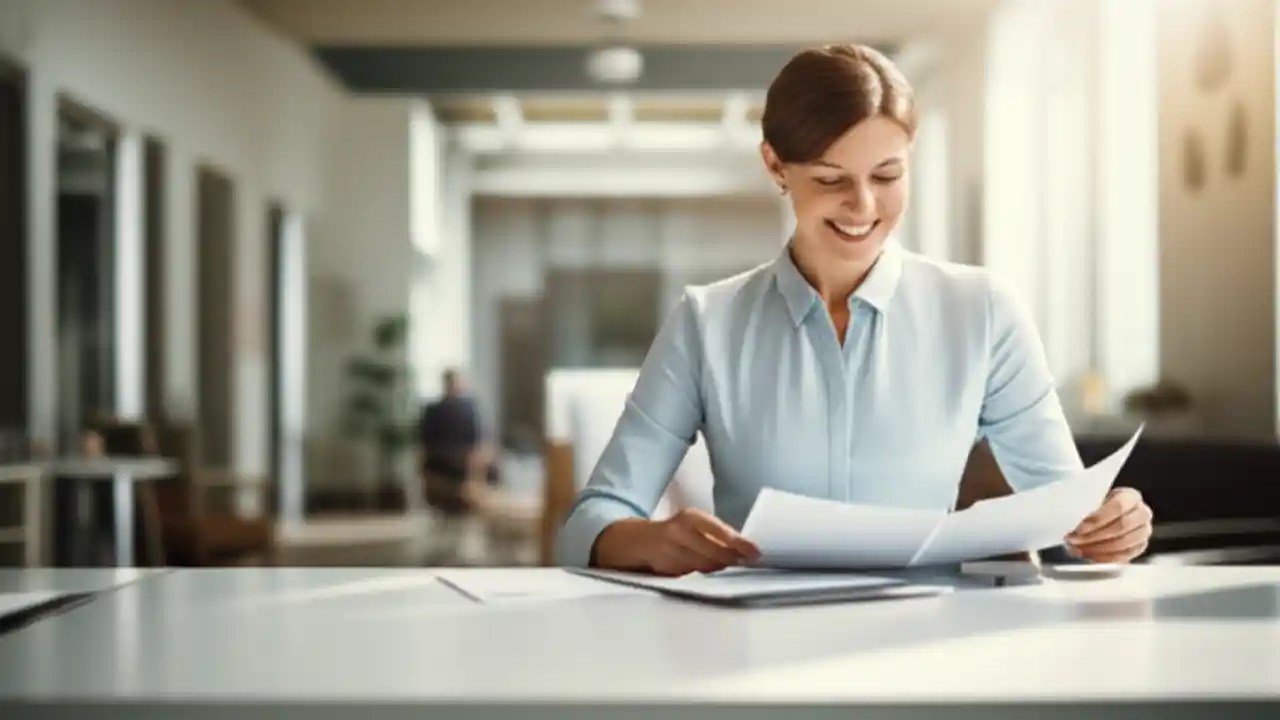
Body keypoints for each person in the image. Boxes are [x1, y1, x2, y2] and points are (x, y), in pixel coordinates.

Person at [557, 44, 1153, 575]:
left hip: (928, 651)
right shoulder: (706, 323)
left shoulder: (984, 313)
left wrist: (1109, 525)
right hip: (753, 650)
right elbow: (591, 522)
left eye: (887, 174)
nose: (862, 205)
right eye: (830, 177)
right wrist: (646, 540)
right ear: (775, 166)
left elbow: (1068, 508)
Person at [418, 369, 496, 515]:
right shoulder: (433, 410)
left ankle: (472, 500)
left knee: (488, 466)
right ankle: (454, 500)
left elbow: (479, 437)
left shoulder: (470, 408)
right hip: (441, 456)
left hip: (467, 456)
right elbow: (425, 440)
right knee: (457, 465)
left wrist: (481, 454)